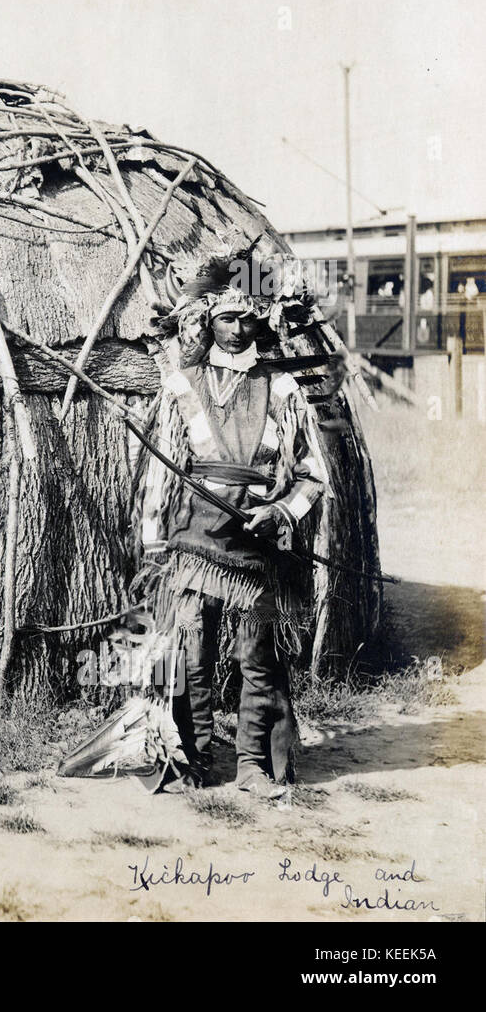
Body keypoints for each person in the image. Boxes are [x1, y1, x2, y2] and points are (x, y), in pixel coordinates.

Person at [138, 278, 328, 799]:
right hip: (195, 542)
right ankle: (191, 761)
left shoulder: (283, 389)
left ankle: (252, 766)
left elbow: (313, 476)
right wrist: (154, 542)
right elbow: (163, 470)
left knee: (256, 656)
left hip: (256, 547)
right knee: (190, 653)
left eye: (247, 319)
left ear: (260, 323)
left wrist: (280, 512)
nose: (236, 329)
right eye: (226, 318)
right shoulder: (181, 385)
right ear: (208, 322)